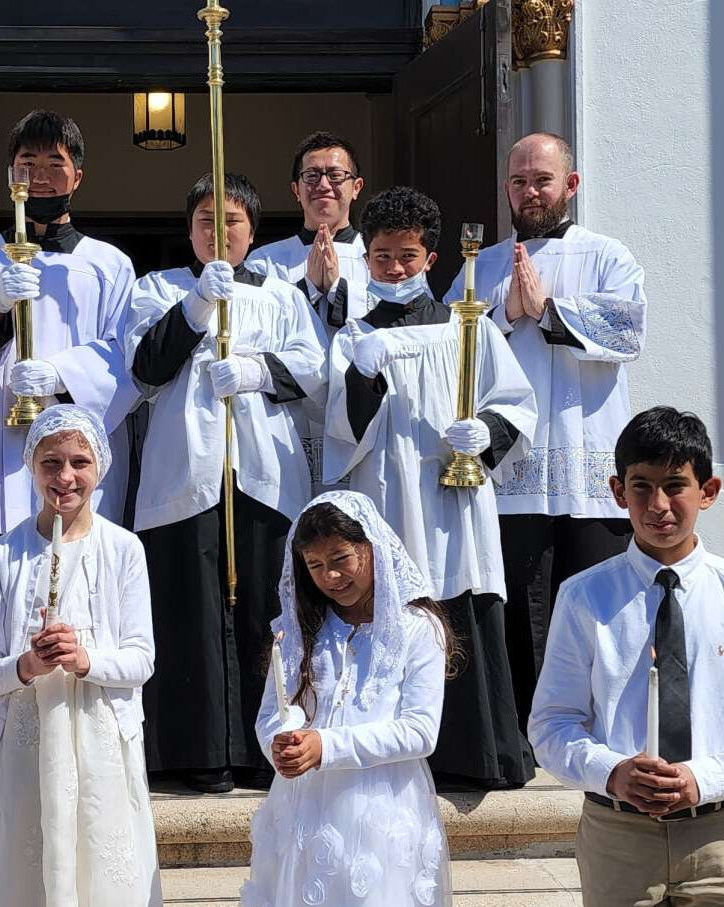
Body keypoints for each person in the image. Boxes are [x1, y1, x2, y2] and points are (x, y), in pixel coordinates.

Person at [0, 109, 139, 793]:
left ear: (76, 172)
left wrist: (63, 372)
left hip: (70, 444)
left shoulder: (109, 263)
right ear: (7, 173)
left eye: (52, 163)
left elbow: (128, 357)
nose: (38, 176)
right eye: (25, 164)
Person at [529, 407, 724, 907]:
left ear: (708, 491)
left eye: (675, 485)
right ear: (618, 491)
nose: (658, 504)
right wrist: (612, 770)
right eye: (641, 486)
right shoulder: (584, 597)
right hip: (617, 836)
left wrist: (702, 779)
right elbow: (553, 723)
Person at [325, 187, 537, 788]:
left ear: (431, 258)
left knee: (462, 600)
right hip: (389, 497)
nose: (394, 268)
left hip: (455, 498)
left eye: (407, 256)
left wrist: (487, 431)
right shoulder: (355, 338)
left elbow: (518, 403)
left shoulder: (467, 329)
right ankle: (396, 751)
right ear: (366, 258)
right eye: (382, 257)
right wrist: (362, 376)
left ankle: (479, 754)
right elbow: (340, 436)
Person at [125, 172, 325, 792]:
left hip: (262, 473)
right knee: (189, 609)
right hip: (185, 475)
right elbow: (142, 367)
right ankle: (195, 753)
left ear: (253, 229)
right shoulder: (158, 288)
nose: (219, 232)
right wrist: (194, 309)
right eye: (206, 221)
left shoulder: (284, 294)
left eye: (232, 221)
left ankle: (265, 746)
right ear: (189, 230)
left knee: (269, 607)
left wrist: (256, 370)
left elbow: (314, 369)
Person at [445, 132, 647, 725]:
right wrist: (506, 313)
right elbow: (452, 352)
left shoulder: (609, 256)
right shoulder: (478, 268)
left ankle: (604, 720)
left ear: (571, 185)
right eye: (519, 181)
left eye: (542, 180)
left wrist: (547, 311)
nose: (530, 192)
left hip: (588, 465)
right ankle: (530, 728)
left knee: (598, 601)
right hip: (516, 469)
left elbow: (628, 332)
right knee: (521, 608)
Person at [0, 405, 160, 907]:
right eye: (51, 463)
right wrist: (25, 666)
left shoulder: (123, 549)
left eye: (78, 462)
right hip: (24, 745)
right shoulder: (4, 554)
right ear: (31, 466)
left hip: (98, 742)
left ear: (99, 467)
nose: (65, 477)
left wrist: (85, 659)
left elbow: (141, 658)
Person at [242, 491, 452, 907]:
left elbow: (420, 731)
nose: (330, 577)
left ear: (372, 549)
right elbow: (273, 711)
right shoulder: (301, 629)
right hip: (303, 806)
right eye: (316, 566)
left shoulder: (416, 630)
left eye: (341, 560)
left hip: (380, 809)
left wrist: (327, 746)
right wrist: (282, 743)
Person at [246, 131, 373, 495]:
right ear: (295, 189)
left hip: (357, 425)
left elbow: (388, 330)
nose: (323, 185)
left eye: (336, 176)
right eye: (311, 176)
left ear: (356, 186)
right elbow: (255, 336)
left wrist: (334, 291)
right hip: (287, 422)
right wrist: (307, 292)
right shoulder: (265, 261)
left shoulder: (378, 256)